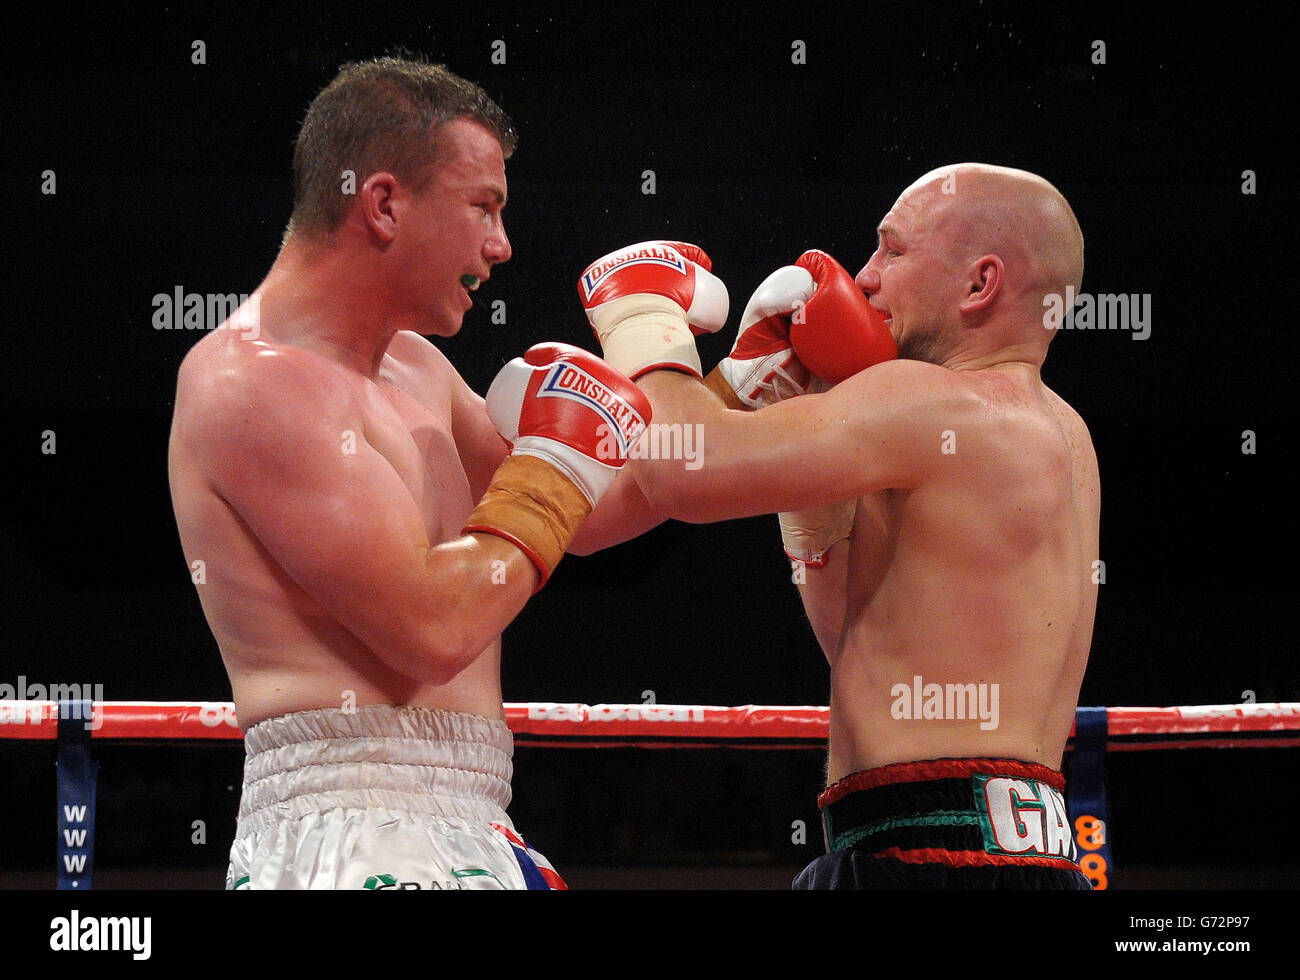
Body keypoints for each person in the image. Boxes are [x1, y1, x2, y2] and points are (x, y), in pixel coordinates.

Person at [167, 57, 661, 890]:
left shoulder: (420, 370)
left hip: (478, 818)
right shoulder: (248, 381)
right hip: (348, 833)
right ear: (385, 202)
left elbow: (597, 509)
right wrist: (558, 463)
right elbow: (432, 628)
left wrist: (733, 379)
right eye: (485, 207)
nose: (501, 246)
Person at [578, 164, 1099, 889]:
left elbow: (681, 469)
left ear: (980, 284)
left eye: (893, 250)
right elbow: (859, 641)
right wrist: (800, 412)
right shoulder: (1066, 434)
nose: (866, 276)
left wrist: (644, 321)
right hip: (1026, 860)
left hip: (916, 863)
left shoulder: (934, 402)